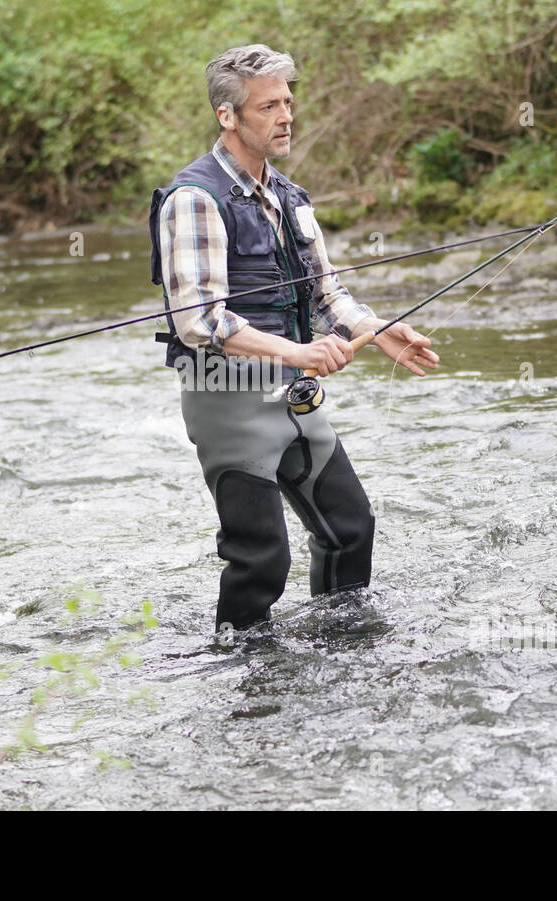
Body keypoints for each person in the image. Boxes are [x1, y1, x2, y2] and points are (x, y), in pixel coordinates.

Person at [149, 44, 439, 636]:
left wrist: (379, 333)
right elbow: (198, 320)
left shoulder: (291, 198)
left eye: (288, 101)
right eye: (268, 106)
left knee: (350, 528)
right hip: (227, 397)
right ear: (227, 116)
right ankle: (244, 674)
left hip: (294, 394)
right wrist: (296, 352)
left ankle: (338, 656)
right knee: (261, 561)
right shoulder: (194, 199)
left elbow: (328, 294)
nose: (286, 116)